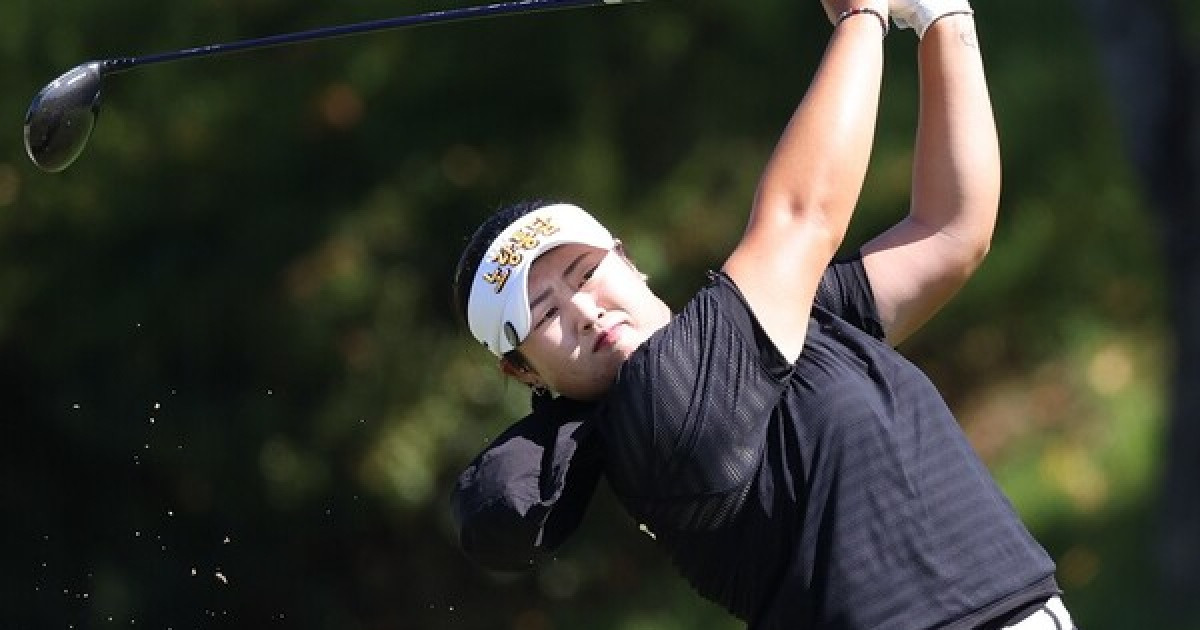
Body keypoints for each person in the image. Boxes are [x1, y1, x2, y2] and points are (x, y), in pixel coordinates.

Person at [450, 0, 1077, 627]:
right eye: (543, 313)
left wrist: (942, 18)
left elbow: (948, 232)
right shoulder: (656, 413)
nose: (584, 309)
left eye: (584, 273)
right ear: (525, 371)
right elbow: (802, 216)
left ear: (627, 258)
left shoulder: (784, 321)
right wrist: (865, 17)